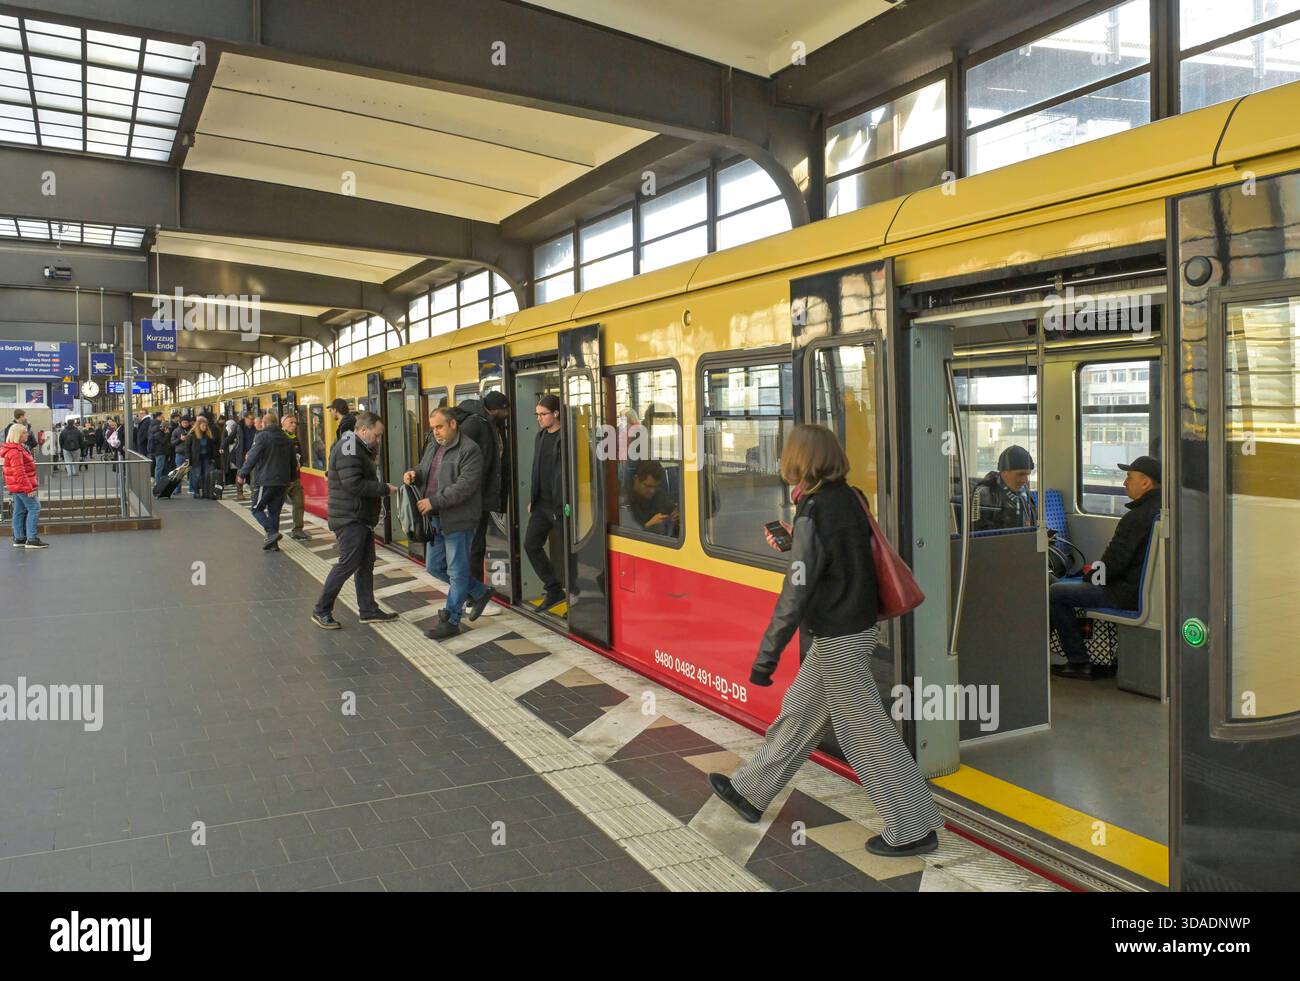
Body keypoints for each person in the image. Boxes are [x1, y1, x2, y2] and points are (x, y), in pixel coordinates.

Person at [707, 424, 944, 857]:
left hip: (839, 636)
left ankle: (913, 829)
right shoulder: (849, 498)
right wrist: (797, 544)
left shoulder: (814, 511)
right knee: (799, 713)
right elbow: (836, 561)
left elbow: (795, 593)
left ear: (799, 460)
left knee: (865, 734)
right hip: (852, 629)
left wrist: (767, 655)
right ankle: (750, 792)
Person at [1049, 456, 1162, 680]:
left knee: (1055, 592)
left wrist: (1089, 575)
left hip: (1122, 593)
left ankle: (1078, 661)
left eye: (1129, 477)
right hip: (1140, 589)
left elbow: (1113, 565)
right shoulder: (1160, 511)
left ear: (1146, 483)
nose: (1124, 483)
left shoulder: (1135, 518)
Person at [404, 407, 492, 640]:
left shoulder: (470, 450)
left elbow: (465, 486)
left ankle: (452, 620)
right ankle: (479, 591)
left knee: (457, 571)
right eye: (433, 428)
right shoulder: (434, 446)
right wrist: (414, 474)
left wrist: (433, 501)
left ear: (453, 424)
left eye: (439, 427)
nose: (435, 432)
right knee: (434, 567)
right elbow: (424, 469)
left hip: (459, 520)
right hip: (435, 519)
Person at [311, 411, 400, 629]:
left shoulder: (358, 446)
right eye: (376, 435)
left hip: (360, 516)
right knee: (348, 563)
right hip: (350, 516)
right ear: (363, 430)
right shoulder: (349, 447)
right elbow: (353, 484)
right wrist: (383, 489)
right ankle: (321, 609)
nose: (378, 440)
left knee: (366, 563)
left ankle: (368, 610)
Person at [450, 391, 507, 598]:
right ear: (497, 409)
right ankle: (474, 595)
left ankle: (471, 592)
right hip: (473, 496)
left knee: (476, 545)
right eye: (506, 410)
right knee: (474, 547)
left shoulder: (489, 421)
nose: (508, 414)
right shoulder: (475, 424)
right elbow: (458, 458)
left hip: (480, 494)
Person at [524, 394, 568, 610]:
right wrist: (534, 498)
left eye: (543, 414)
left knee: (571, 553)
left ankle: (578, 601)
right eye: (537, 414)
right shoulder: (540, 437)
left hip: (561, 505)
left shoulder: (568, 438)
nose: (539, 418)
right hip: (542, 504)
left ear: (556, 414)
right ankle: (554, 589)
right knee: (531, 545)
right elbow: (537, 470)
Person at [237, 413, 298, 550]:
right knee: (274, 513)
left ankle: (271, 533)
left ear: (264, 423)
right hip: (282, 482)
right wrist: (293, 479)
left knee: (256, 509)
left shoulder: (262, 436)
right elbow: (293, 462)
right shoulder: (286, 438)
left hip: (266, 481)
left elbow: (252, 457)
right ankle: (273, 544)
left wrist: (242, 473)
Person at [972, 444, 1037, 531]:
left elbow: (1034, 522)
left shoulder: (1023, 492)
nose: (1025, 480)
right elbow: (982, 534)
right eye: (1020, 474)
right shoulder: (985, 493)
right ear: (1004, 472)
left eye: (1027, 475)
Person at [3, 422, 47, 548]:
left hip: (17, 486)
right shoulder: (16, 451)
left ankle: (19, 538)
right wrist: (29, 489)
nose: (27, 434)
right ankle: (32, 539)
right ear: (17, 434)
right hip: (22, 485)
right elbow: (20, 473)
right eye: (24, 432)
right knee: (34, 507)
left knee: (19, 511)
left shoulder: (14, 449)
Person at [625, 459, 678, 537]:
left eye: (655, 486)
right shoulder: (626, 502)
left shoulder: (658, 494)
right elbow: (626, 536)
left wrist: (676, 514)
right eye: (648, 486)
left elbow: (670, 507)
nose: (652, 491)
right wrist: (649, 525)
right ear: (636, 479)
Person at [281, 411, 311, 541]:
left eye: (295, 423)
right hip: (283, 479)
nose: (294, 425)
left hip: (295, 478)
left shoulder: (295, 438)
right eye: (291, 422)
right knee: (276, 505)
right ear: (283, 424)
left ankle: (298, 530)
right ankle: (271, 532)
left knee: (299, 503)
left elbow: (300, 455)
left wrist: (301, 463)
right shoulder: (280, 438)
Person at [186, 416, 221, 498]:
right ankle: (196, 491)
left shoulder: (208, 435)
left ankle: (205, 492)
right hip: (196, 459)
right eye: (203, 426)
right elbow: (187, 448)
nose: (205, 427)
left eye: (205, 426)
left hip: (207, 458)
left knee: (206, 476)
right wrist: (188, 458)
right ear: (198, 426)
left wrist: (213, 457)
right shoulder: (192, 435)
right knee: (197, 475)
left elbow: (212, 447)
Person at [230, 412, 256, 501]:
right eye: (250, 419)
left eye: (253, 419)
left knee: (254, 474)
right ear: (245, 418)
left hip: (253, 454)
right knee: (241, 473)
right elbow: (230, 437)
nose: (252, 421)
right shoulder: (239, 427)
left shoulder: (255, 427)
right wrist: (222, 447)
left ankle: (254, 493)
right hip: (242, 454)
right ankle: (239, 492)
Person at [148, 416, 171, 482]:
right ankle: (157, 481)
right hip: (160, 452)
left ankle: (158, 480)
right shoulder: (158, 433)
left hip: (159, 452)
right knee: (159, 467)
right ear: (165, 427)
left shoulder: (157, 431)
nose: (168, 429)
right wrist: (167, 434)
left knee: (159, 467)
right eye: (167, 428)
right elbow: (163, 441)